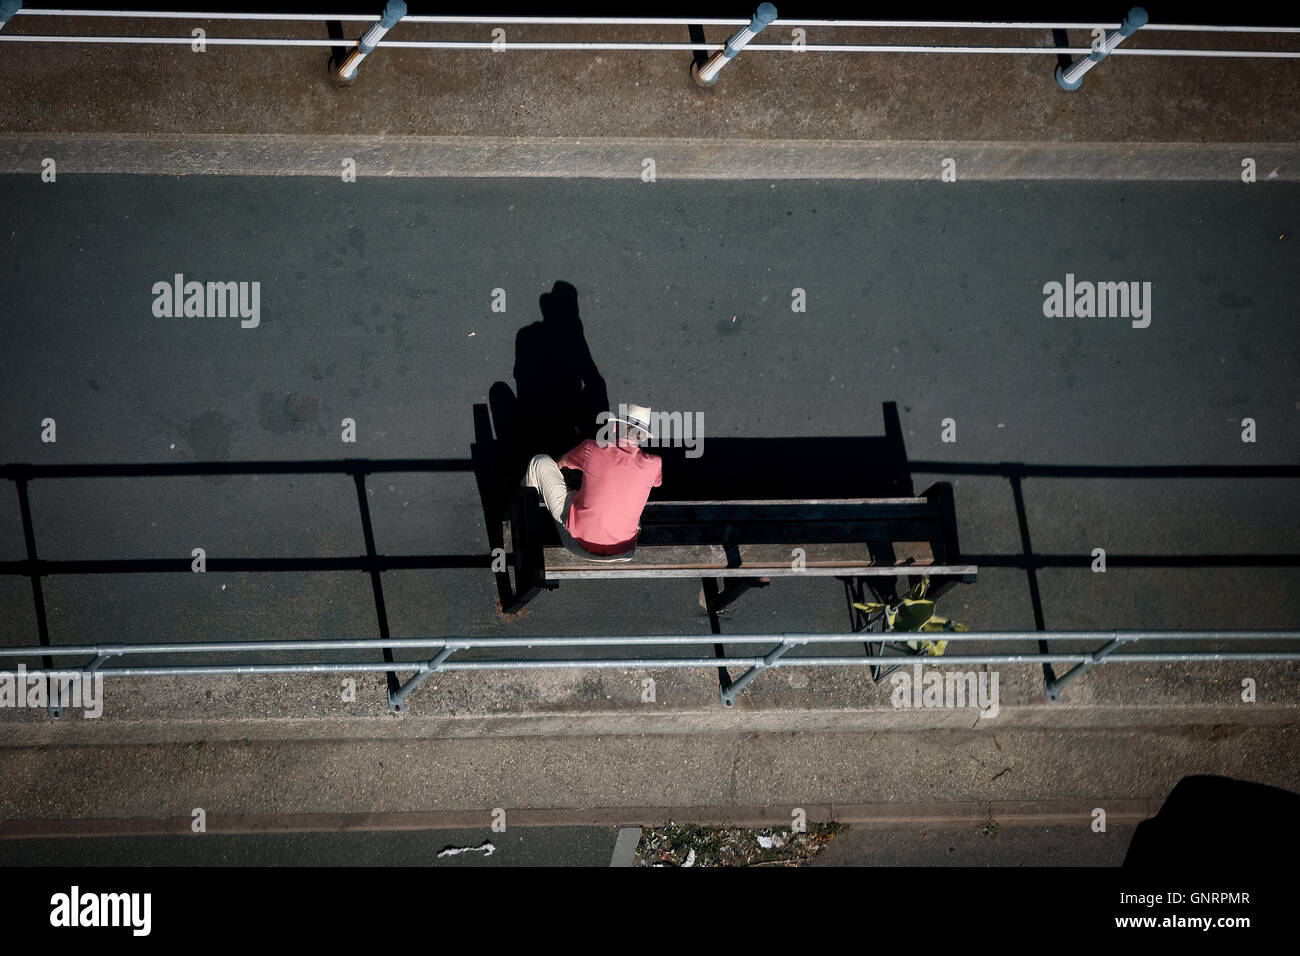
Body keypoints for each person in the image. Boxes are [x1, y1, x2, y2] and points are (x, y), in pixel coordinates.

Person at [524, 404, 662, 559]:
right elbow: (656, 483)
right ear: (643, 437)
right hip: (624, 552)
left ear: (615, 427)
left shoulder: (591, 447)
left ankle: (522, 509)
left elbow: (558, 465)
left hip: (578, 544)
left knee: (540, 462)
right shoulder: (655, 463)